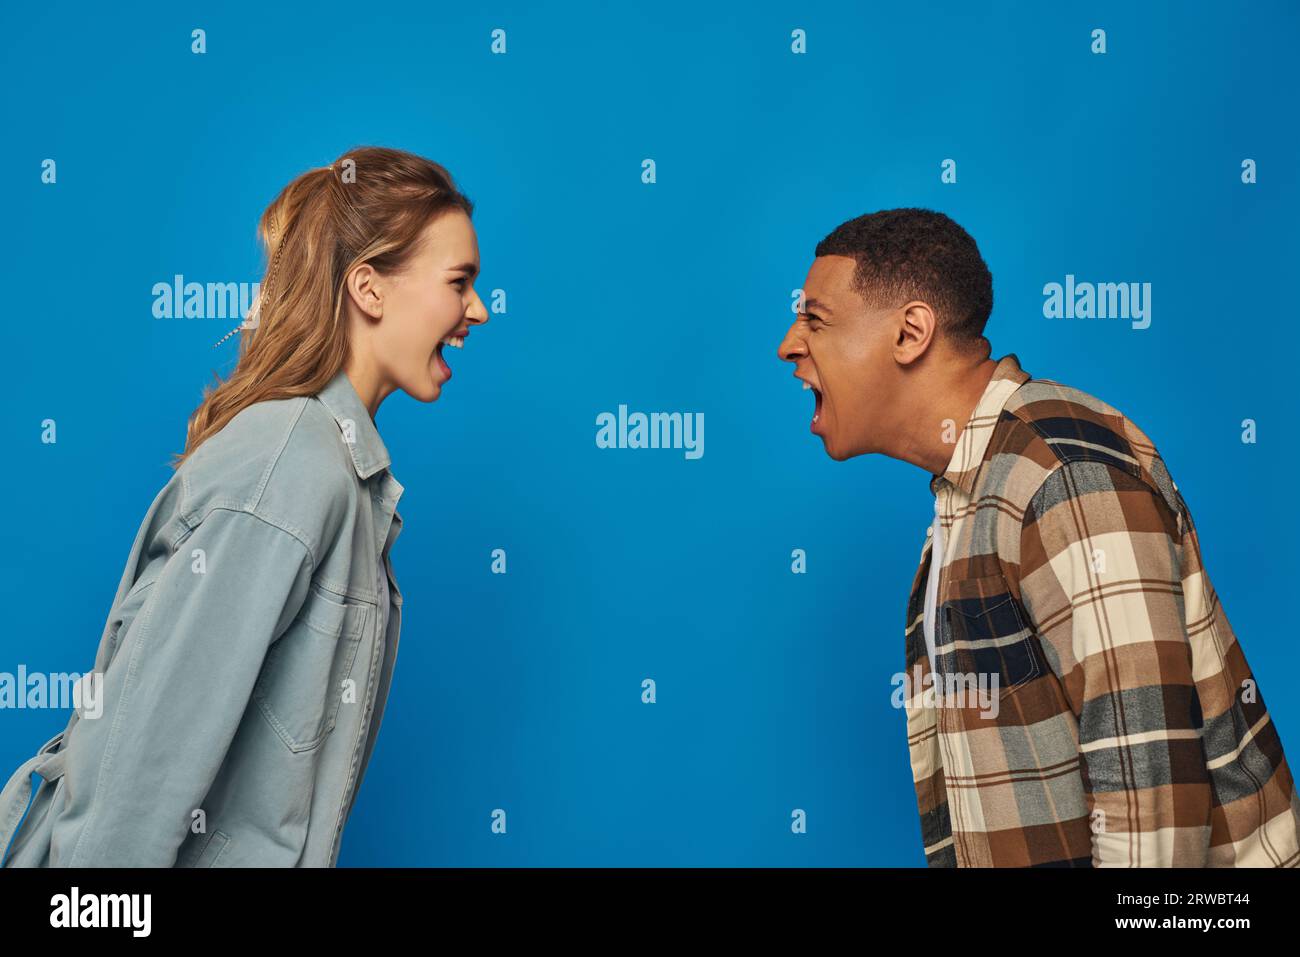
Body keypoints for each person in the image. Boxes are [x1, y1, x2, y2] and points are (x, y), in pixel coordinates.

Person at [0, 146, 490, 866]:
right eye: (460, 282)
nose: (477, 309)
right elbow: (141, 769)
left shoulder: (340, 474)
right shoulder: (291, 467)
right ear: (369, 288)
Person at [777, 207, 1300, 867]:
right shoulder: (970, 491)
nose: (789, 344)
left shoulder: (1060, 475)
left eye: (815, 320)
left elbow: (1151, 811)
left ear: (911, 332)